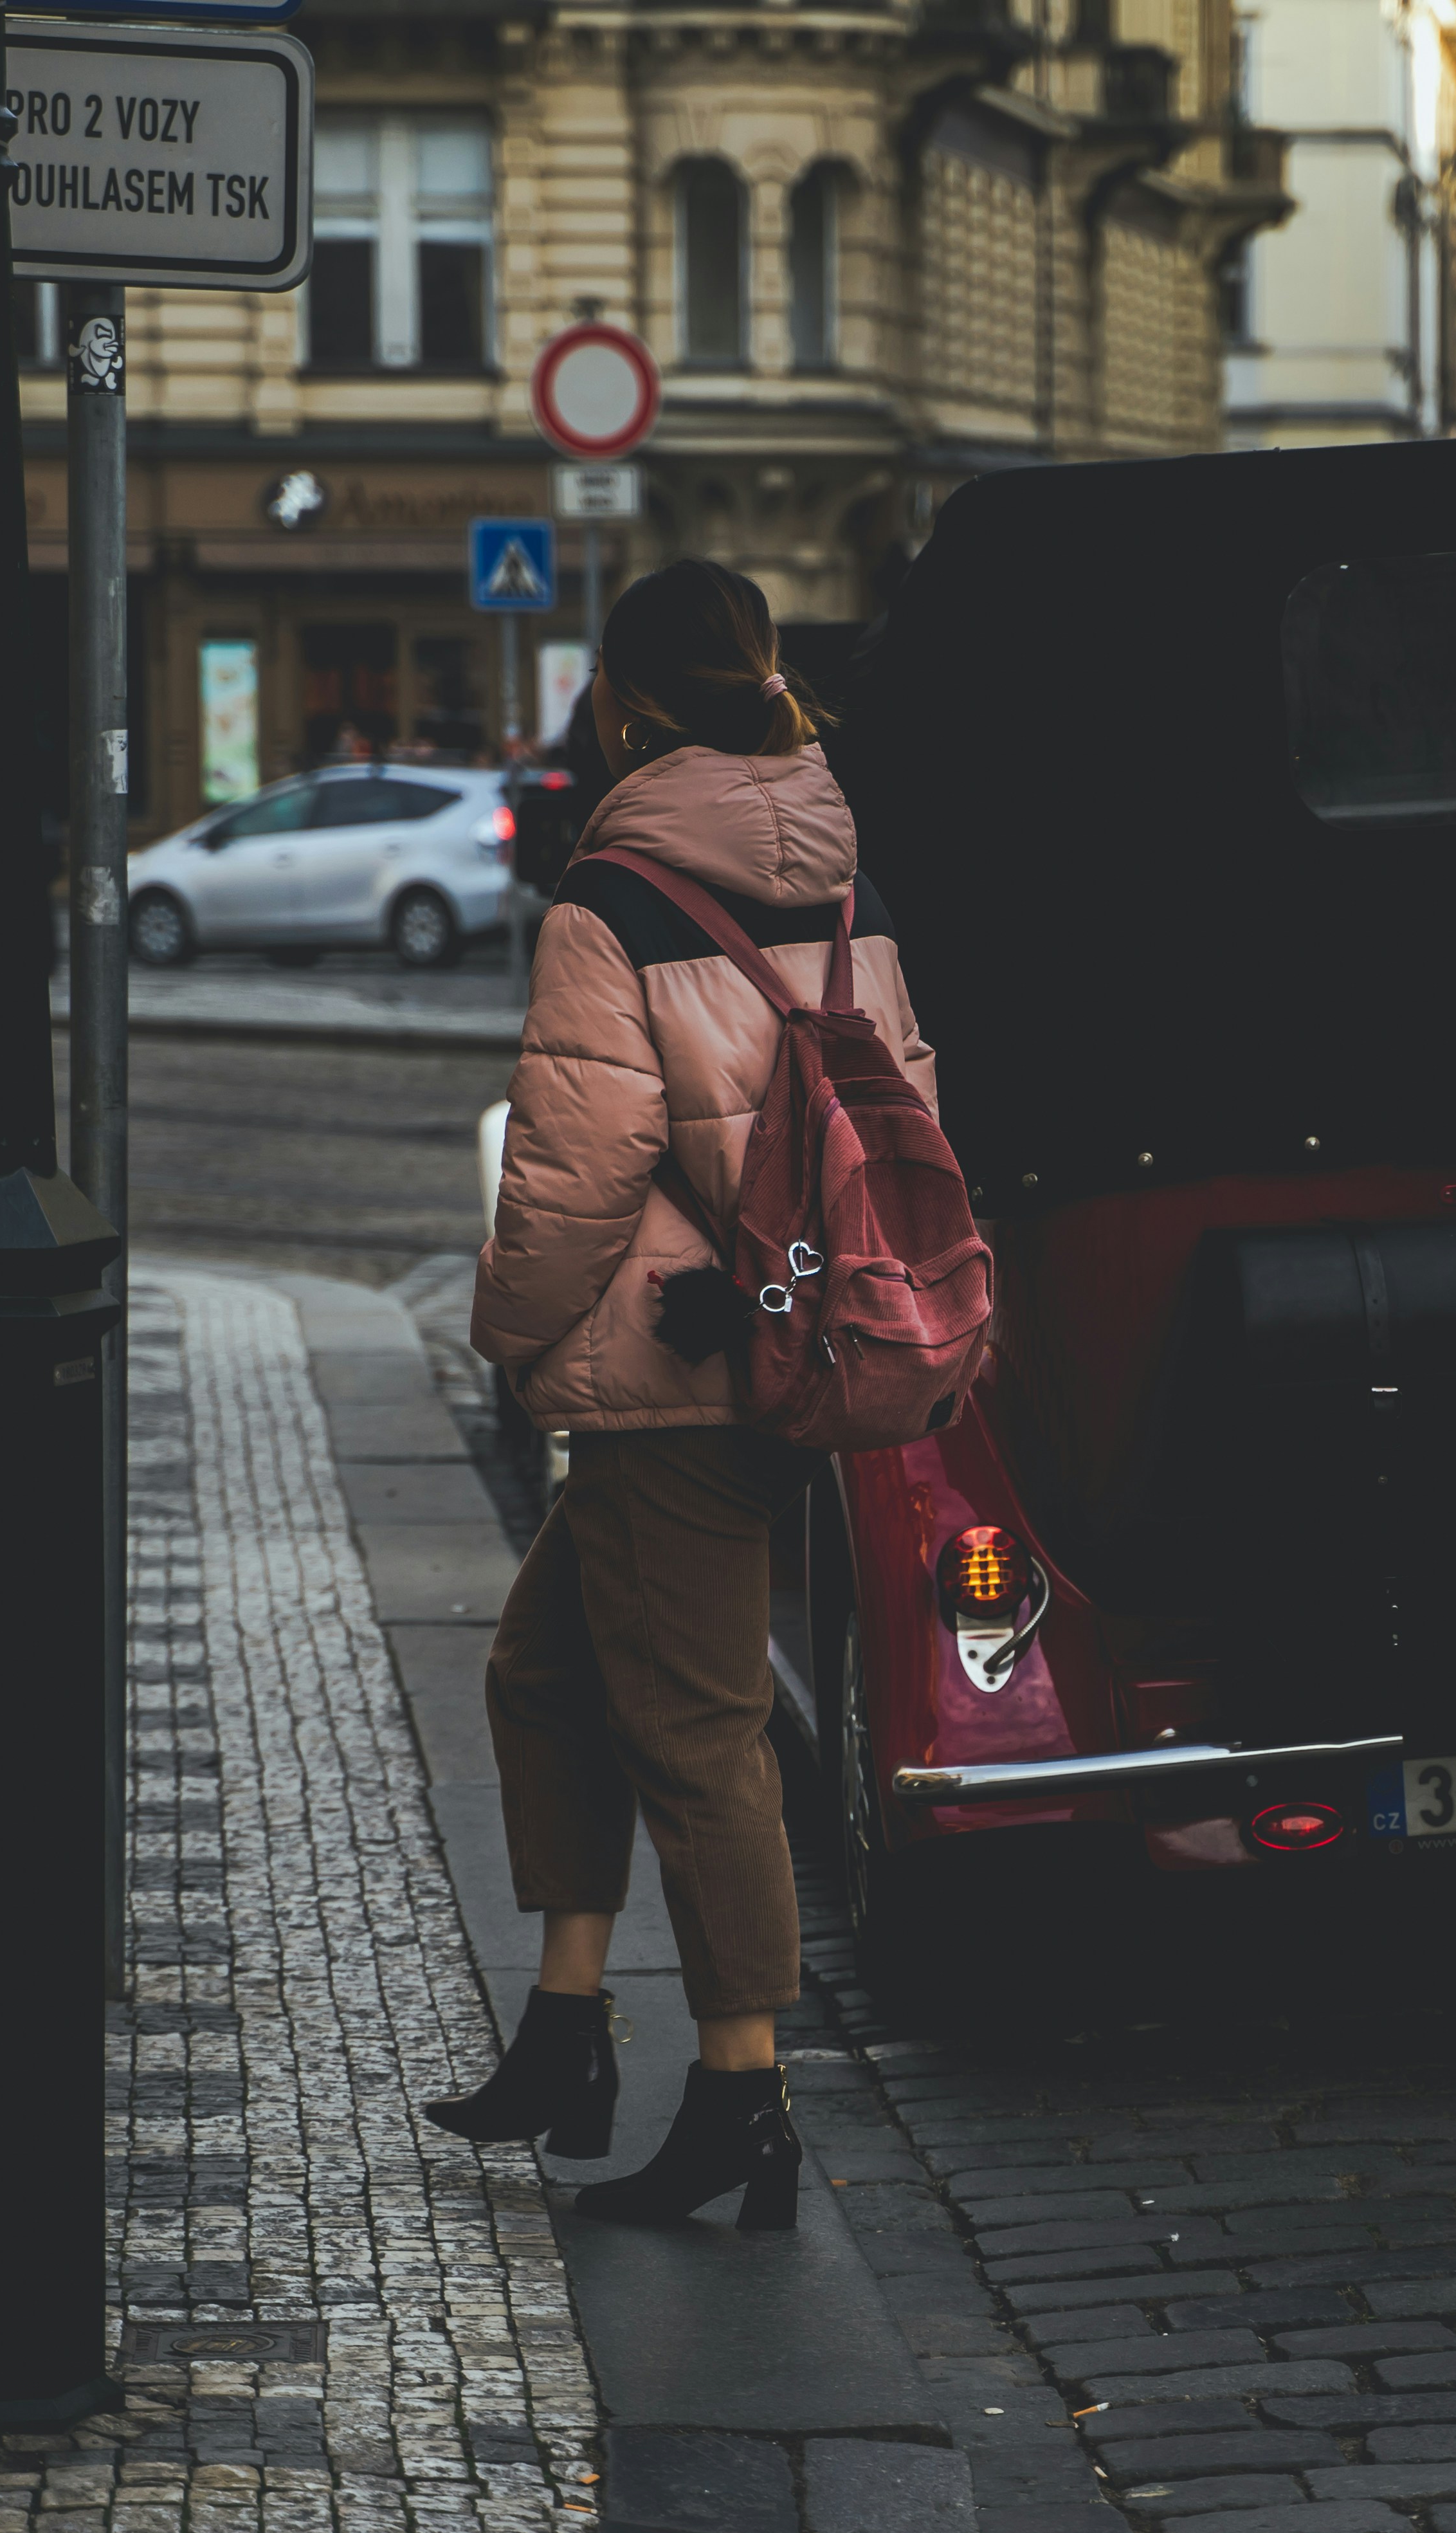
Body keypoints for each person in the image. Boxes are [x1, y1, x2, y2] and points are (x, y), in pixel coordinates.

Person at [421, 559, 936, 2228]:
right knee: (543, 1670)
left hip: (668, 1367)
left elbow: (574, 1168)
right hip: (794, 1331)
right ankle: (569, 2022)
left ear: (627, 701)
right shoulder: (842, 866)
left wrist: (507, 1329)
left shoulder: (616, 891)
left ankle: (741, 2091)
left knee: (703, 1736)